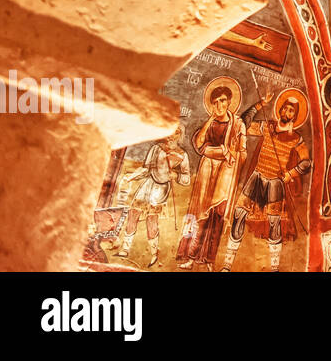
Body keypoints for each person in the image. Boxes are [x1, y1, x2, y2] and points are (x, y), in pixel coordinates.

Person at [221, 91, 312, 271]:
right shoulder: (268, 127)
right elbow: (243, 124)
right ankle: (227, 265)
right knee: (239, 213)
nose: (287, 112)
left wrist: (291, 173)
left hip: (275, 183)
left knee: (274, 222)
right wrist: (260, 104)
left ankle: (274, 268)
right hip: (257, 176)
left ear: (295, 115)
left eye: (291, 111)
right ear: (280, 110)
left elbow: (307, 162)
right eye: (285, 108)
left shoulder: (296, 138)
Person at [177, 81, 248, 269]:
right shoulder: (209, 124)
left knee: (217, 216)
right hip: (207, 172)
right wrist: (210, 122)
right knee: (200, 214)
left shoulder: (238, 125)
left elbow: (243, 154)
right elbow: (199, 145)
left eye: (222, 101)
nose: (219, 105)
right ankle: (191, 256)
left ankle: (209, 260)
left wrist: (232, 154)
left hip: (225, 175)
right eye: (215, 102)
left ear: (230, 102)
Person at [117, 125, 191, 268]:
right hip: (147, 185)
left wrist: (176, 176)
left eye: (176, 132)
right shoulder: (157, 149)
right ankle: (125, 249)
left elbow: (186, 178)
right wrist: (131, 177)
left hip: (161, 190)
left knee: (152, 220)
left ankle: (153, 254)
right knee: (133, 214)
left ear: (180, 135)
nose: (171, 136)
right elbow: (146, 169)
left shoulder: (182, 155)